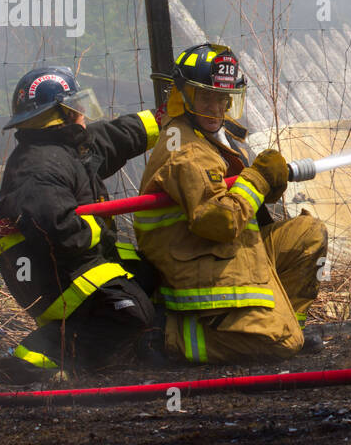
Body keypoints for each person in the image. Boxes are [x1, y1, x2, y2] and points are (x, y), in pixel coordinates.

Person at [135, 42, 327, 363]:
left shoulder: (211, 138)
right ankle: (170, 334)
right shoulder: (184, 147)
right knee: (283, 344)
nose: (216, 109)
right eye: (206, 97)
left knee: (308, 234)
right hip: (196, 265)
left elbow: (237, 199)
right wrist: (259, 179)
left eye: (223, 99)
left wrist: (266, 184)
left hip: (224, 255)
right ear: (183, 96)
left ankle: (283, 325)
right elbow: (220, 221)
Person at [0, 67, 161, 377]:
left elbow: (112, 139)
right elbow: (56, 227)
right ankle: (35, 360)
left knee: (150, 276)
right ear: (62, 114)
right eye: (76, 107)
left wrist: (162, 121)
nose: (83, 113)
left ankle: (123, 351)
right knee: (129, 310)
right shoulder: (39, 165)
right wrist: (98, 231)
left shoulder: (62, 150)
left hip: (68, 266)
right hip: (51, 278)